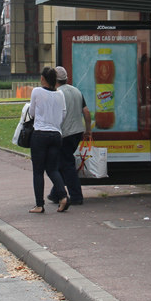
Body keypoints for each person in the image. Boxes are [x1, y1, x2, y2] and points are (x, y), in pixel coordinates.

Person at [27, 66, 69, 213]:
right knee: (52, 169)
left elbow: (31, 112)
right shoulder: (60, 94)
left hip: (40, 134)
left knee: (38, 171)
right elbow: (63, 115)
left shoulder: (37, 92)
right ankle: (63, 196)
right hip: (56, 134)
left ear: (43, 79)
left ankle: (39, 204)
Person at [48, 65, 91, 206]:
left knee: (67, 164)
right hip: (77, 132)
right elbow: (86, 112)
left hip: (64, 133)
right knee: (62, 163)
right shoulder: (76, 91)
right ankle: (56, 193)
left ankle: (76, 195)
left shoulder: (56, 93)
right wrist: (88, 130)